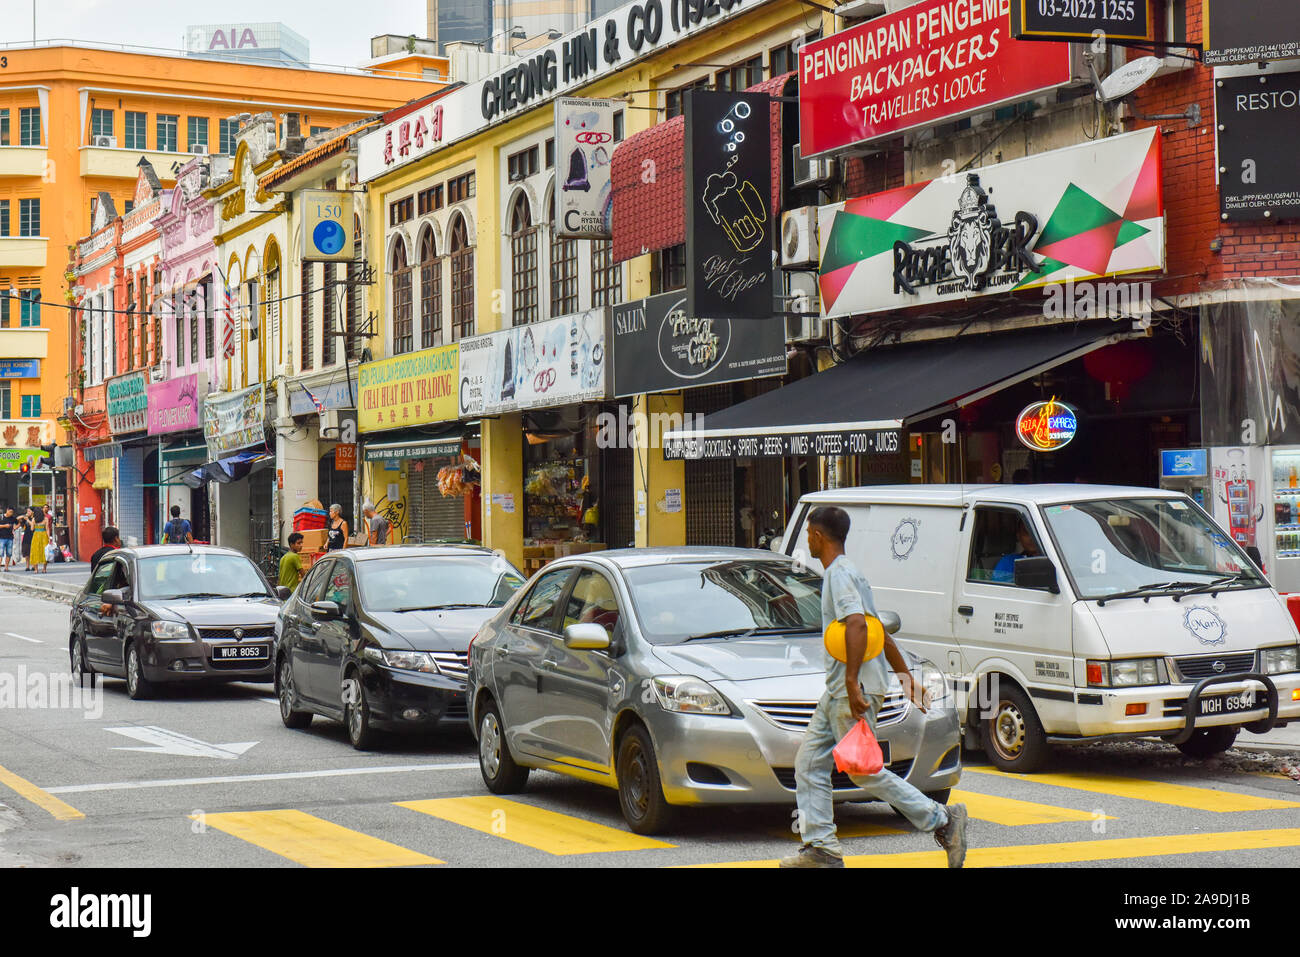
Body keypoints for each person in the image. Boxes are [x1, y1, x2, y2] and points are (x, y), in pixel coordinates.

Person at [782, 505, 968, 869]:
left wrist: (852, 680)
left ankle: (943, 820)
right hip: (842, 689)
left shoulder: (838, 575)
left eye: (808, 534)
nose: (807, 541)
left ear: (818, 536)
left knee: (861, 770)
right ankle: (821, 848)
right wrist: (905, 677)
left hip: (852, 688)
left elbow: (857, 625)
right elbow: (878, 630)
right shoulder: (851, 572)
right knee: (808, 763)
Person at [27, 506, 51, 575]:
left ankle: (36, 570)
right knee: (45, 552)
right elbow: (47, 529)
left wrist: (31, 522)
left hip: (36, 536)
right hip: (44, 536)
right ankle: (44, 569)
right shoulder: (46, 519)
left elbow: (32, 529)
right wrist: (49, 538)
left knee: (35, 551)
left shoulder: (34, 519)